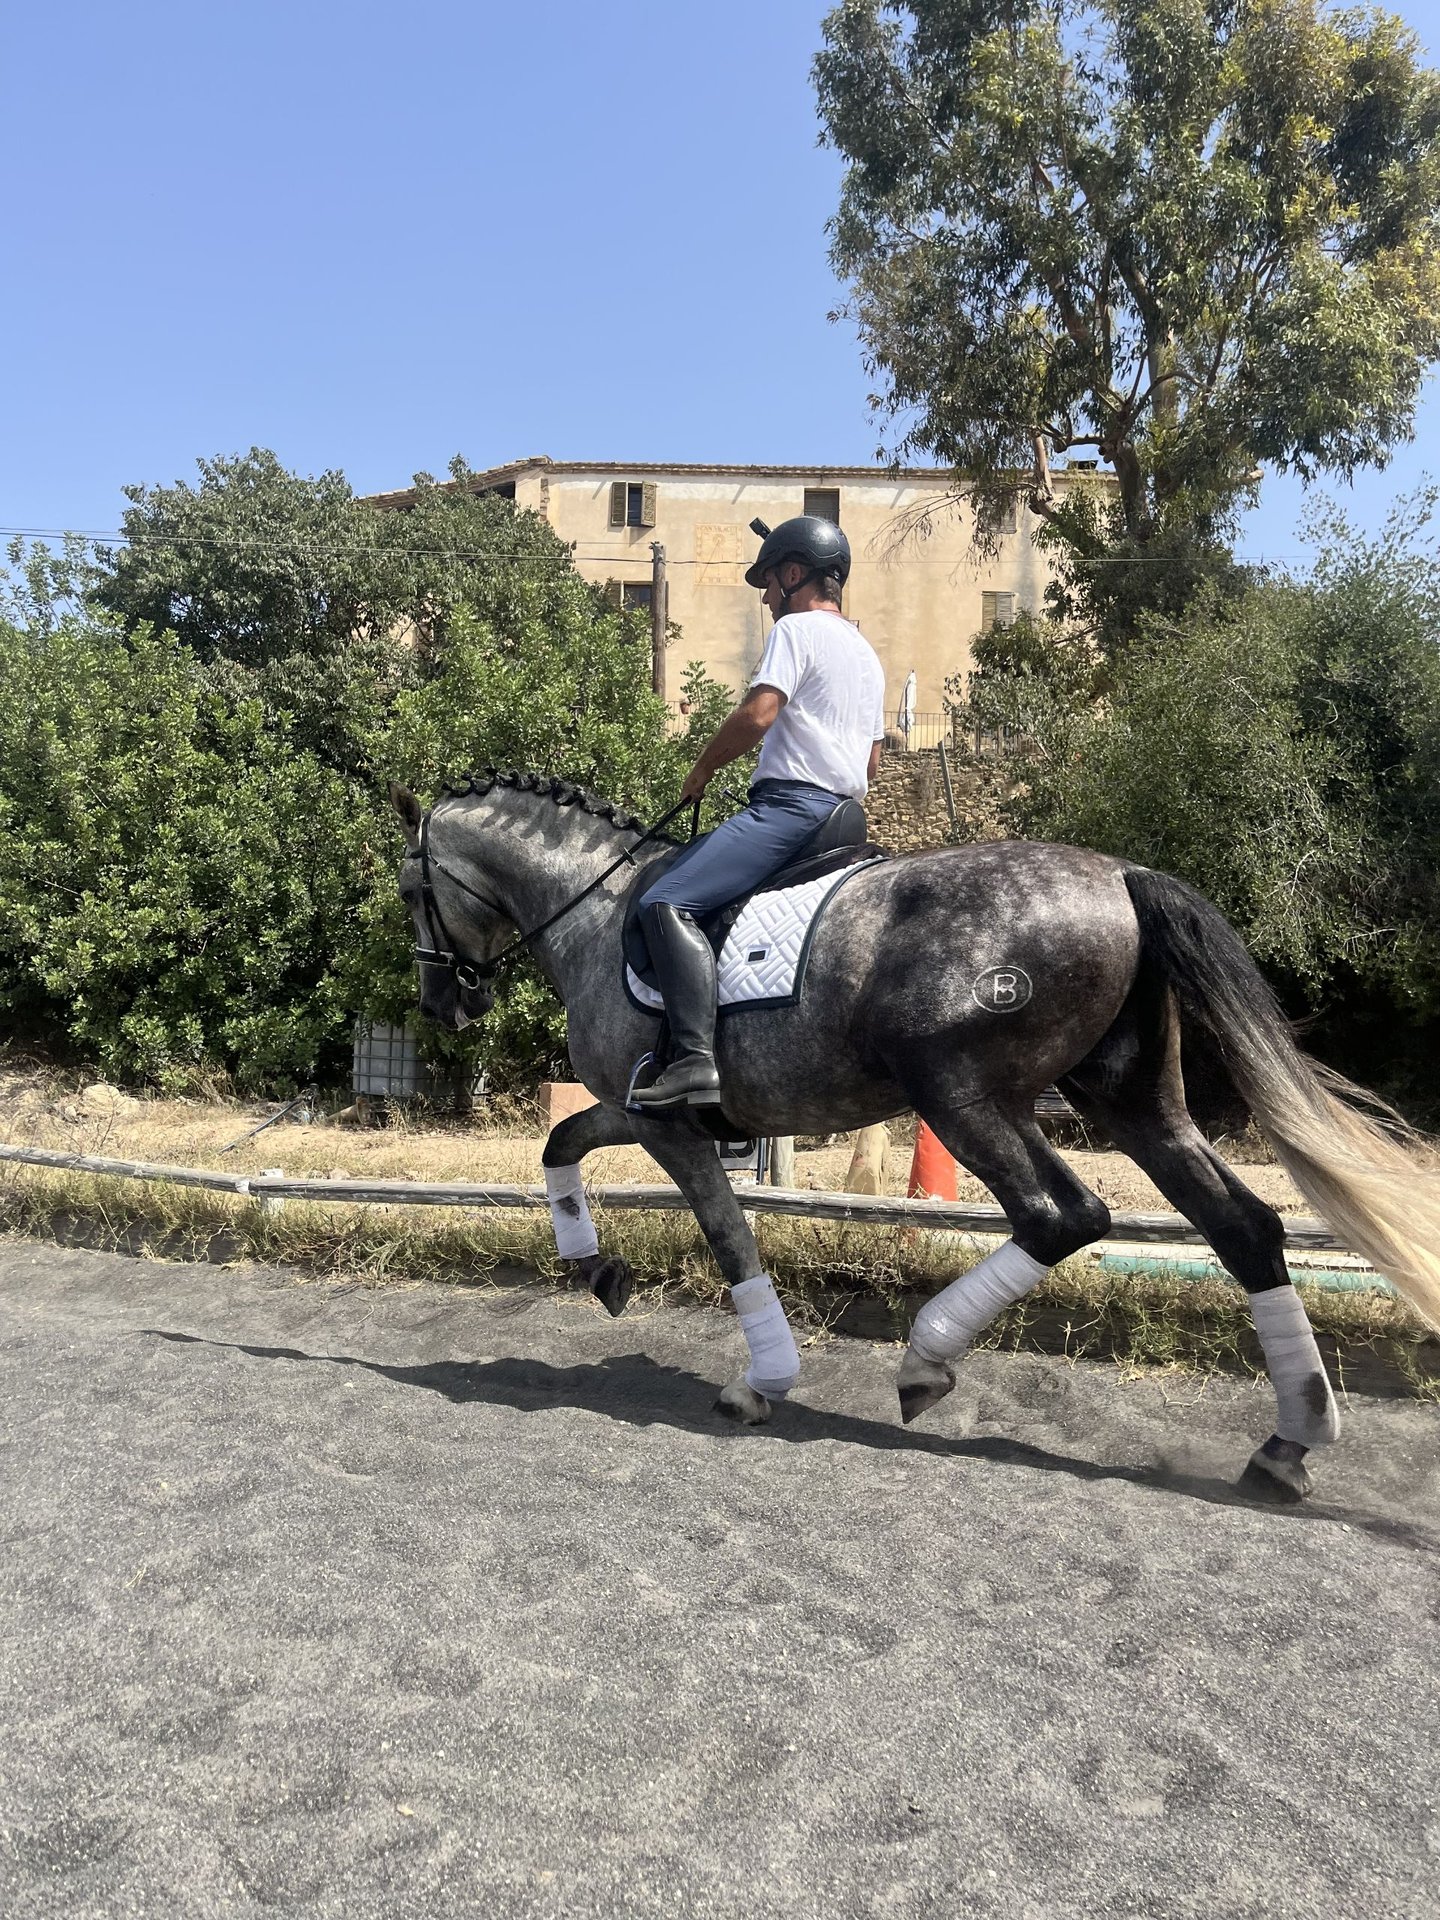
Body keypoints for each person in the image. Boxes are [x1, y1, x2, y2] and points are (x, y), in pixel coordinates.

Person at [629, 514, 886, 1113]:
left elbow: (758, 714)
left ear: (795, 574)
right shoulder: (868, 655)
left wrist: (702, 768)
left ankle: (693, 1059)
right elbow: (872, 765)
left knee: (665, 901)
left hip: (792, 809)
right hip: (846, 820)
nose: (768, 598)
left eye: (770, 583)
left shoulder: (796, 632)